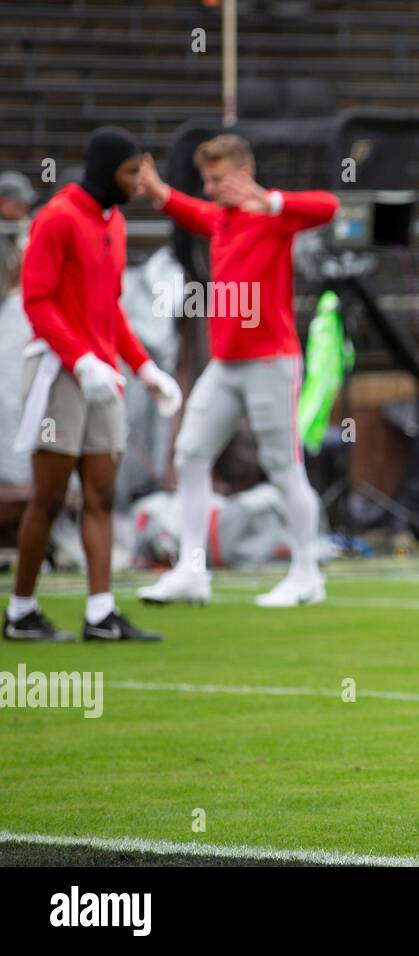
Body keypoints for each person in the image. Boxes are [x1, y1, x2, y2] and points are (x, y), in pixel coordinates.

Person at [134, 134, 339, 608]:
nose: (210, 189)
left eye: (218, 178)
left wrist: (272, 200)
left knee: (283, 467)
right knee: (189, 455)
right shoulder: (223, 218)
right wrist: (160, 193)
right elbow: (191, 212)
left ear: (243, 174)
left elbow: (329, 206)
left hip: (271, 361)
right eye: (206, 179)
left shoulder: (272, 214)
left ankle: (307, 572)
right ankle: (190, 569)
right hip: (227, 366)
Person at [5, 128, 181, 643]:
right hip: (61, 373)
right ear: (107, 170)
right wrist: (80, 359)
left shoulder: (116, 223)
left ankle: (101, 613)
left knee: (102, 492)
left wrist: (145, 369)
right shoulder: (57, 218)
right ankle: (20, 611)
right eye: (131, 172)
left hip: (104, 375)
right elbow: (37, 301)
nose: (137, 183)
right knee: (51, 496)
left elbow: (110, 311)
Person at [0, 170, 37, 298]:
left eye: (26, 205)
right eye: (18, 205)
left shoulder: (22, 226)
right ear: (2, 202)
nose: (23, 210)